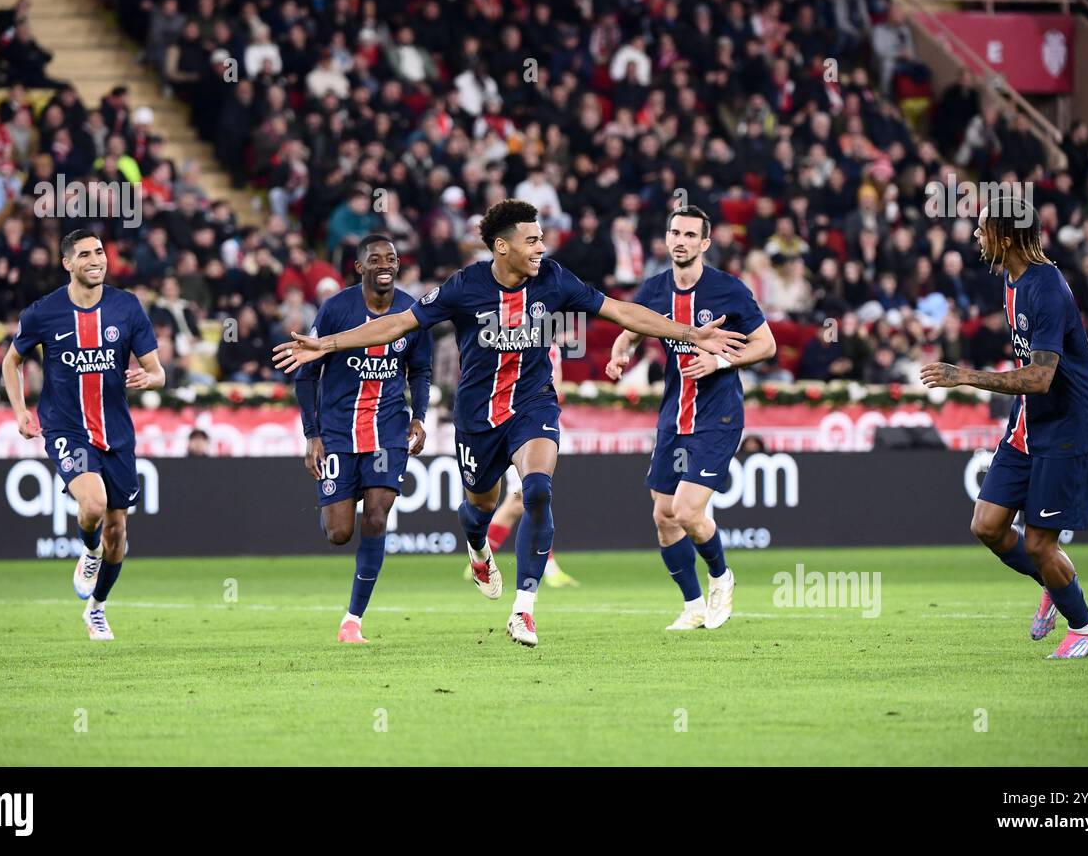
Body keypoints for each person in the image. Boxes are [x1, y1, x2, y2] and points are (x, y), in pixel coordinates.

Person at [274, 199, 745, 648]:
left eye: (542, 239)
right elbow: (397, 324)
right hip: (478, 419)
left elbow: (620, 310)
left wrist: (688, 332)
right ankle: (478, 548)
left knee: (537, 488)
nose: (542, 247)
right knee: (479, 507)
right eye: (532, 240)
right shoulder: (464, 286)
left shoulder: (555, 279)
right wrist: (329, 344)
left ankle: (524, 606)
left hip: (533, 406)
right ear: (503, 247)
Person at [922, 205, 1088, 659]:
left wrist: (964, 376)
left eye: (983, 228)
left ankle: (1085, 626)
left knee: (1040, 541)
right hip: (1030, 419)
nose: (975, 234)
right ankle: (1055, 579)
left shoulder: (1046, 288)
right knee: (987, 524)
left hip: (1069, 423)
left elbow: (1041, 376)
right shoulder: (1012, 279)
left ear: (1005, 238)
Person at [606, 207, 777, 630]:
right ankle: (694, 605)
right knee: (663, 515)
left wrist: (719, 361)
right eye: (674, 233)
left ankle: (722, 577)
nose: (680, 240)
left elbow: (767, 345)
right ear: (667, 240)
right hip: (673, 416)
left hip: (717, 417)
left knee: (685, 510)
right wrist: (620, 351)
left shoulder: (728, 290)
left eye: (689, 235)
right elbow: (631, 325)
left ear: (705, 243)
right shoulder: (655, 289)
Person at [1, 230, 165, 641]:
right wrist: (21, 411)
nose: (96, 259)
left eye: (100, 252)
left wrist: (152, 378)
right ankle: (88, 553)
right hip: (66, 427)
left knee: (118, 532)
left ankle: (97, 608)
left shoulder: (126, 307)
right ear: (67, 263)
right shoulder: (44, 312)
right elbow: (11, 361)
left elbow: (158, 370)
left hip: (116, 433)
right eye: (85, 254)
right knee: (93, 503)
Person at [293, 235, 432, 643]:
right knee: (339, 532)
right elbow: (307, 372)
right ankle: (340, 495)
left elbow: (419, 371)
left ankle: (353, 619)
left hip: (388, 429)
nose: (385, 264)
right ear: (360, 267)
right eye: (376, 259)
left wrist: (419, 416)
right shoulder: (337, 308)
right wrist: (311, 435)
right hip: (338, 432)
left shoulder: (412, 310)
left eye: (391, 258)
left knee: (377, 514)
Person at [465, 341, 579, 589]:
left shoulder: (550, 346)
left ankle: (489, 556)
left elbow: (554, 386)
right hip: (505, 426)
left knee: (530, 497)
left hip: (534, 425)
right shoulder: (504, 342)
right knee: (519, 499)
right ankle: (482, 553)